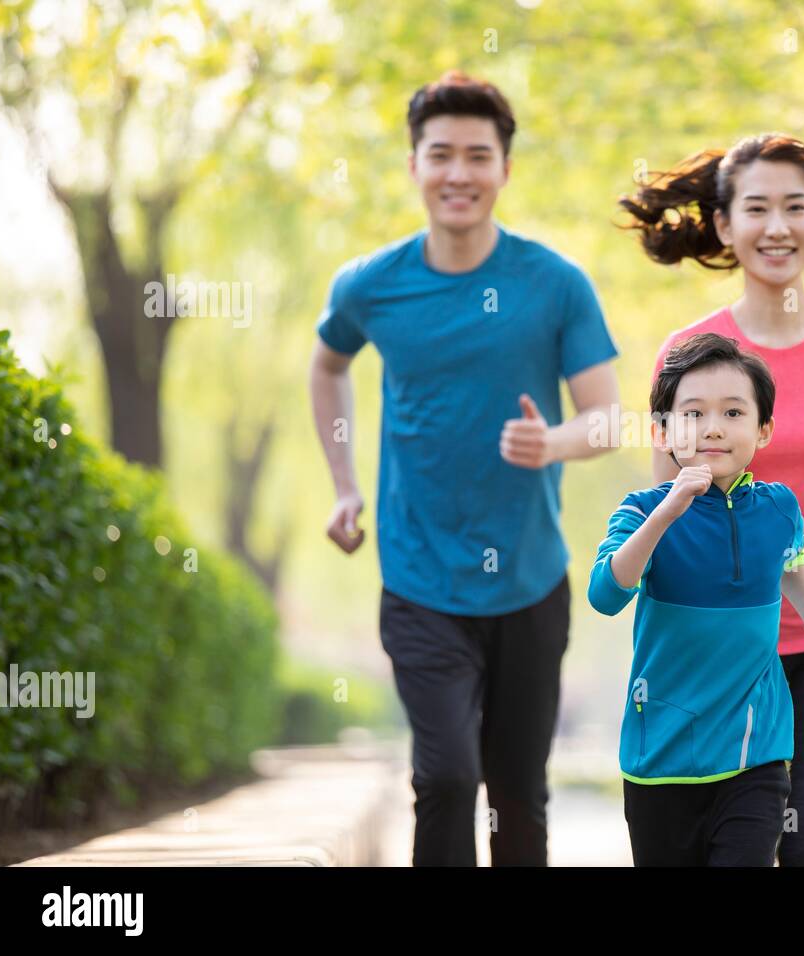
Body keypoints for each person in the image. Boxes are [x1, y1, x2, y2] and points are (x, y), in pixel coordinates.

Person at [308, 70, 622, 866]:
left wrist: (553, 443)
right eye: (439, 154)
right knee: (446, 776)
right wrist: (345, 484)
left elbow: (608, 419)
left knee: (518, 796)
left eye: (477, 155)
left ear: (504, 170)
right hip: (420, 580)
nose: (458, 173)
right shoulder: (371, 285)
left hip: (530, 579)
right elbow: (327, 365)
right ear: (413, 165)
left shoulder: (554, 284)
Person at [619, 133, 804, 865]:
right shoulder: (690, 352)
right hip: (715, 647)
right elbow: (664, 508)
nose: (777, 226)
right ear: (723, 225)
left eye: (795, 207)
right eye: (757, 207)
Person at [587, 332, 804, 866]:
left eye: (734, 412)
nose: (713, 427)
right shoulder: (641, 512)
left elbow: (791, 563)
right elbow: (605, 593)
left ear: (764, 429)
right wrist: (669, 510)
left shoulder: (780, 506)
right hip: (661, 756)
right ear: (663, 431)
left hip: (754, 752)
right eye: (693, 414)